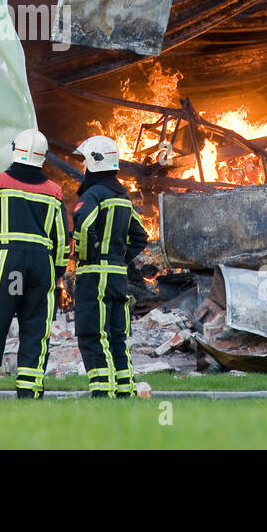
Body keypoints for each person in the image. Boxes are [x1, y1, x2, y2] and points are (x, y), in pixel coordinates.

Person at [0, 128, 69, 399]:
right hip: (41, 266)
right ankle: (30, 392)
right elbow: (61, 237)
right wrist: (58, 272)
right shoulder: (54, 192)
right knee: (36, 328)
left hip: (8, 264)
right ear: (43, 157)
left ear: (15, 150)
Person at [71, 135, 149, 398]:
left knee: (92, 331)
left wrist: (85, 255)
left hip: (94, 274)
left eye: (84, 161)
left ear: (93, 162)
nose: (82, 166)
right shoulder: (123, 197)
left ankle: (102, 393)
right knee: (116, 333)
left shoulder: (93, 195)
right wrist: (119, 259)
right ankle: (124, 389)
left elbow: (83, 225)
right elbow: (141, 236)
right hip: (117, 275)